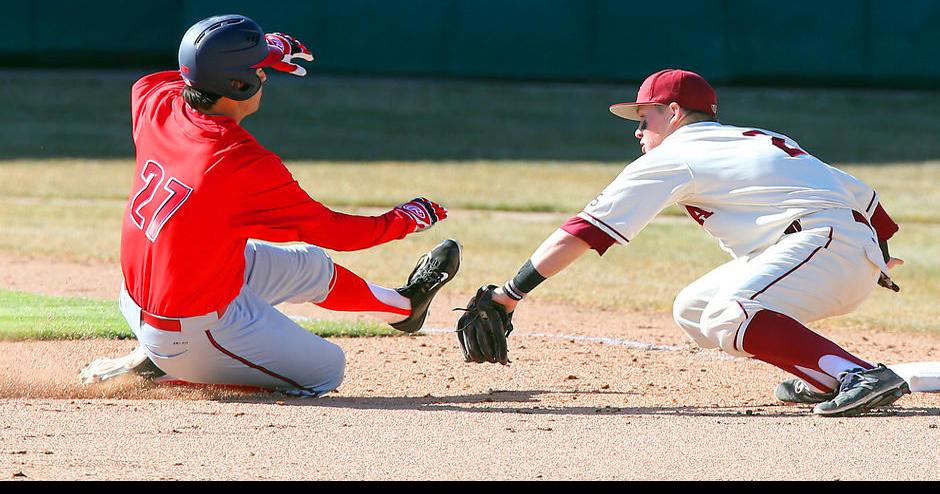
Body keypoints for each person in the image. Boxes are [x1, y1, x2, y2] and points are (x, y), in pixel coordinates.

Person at [482, 68, 909, 417]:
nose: (638, 132)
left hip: (821, 247)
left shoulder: (677, 153)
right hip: (830, 252)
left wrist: (510, 293)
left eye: (644, 119)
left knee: (727, 314)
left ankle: (858, 375)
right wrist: (877, 259)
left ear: (673, 112)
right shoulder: (753, 137)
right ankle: (825, 376)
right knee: (694, 309)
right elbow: (865, 197)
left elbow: (585, 230)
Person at [80, 14, 461, 396]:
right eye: (258, 67)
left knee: (309, 266)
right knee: (327, 369)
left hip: (152, 292)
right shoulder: (236, 162)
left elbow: (185, 73)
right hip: (186, 329)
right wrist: (402, 219)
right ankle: (162, 370)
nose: (265, 73)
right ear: (237, 84)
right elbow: (337, 233)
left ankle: (405, 308)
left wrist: (269, 50)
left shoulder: (154, 100)